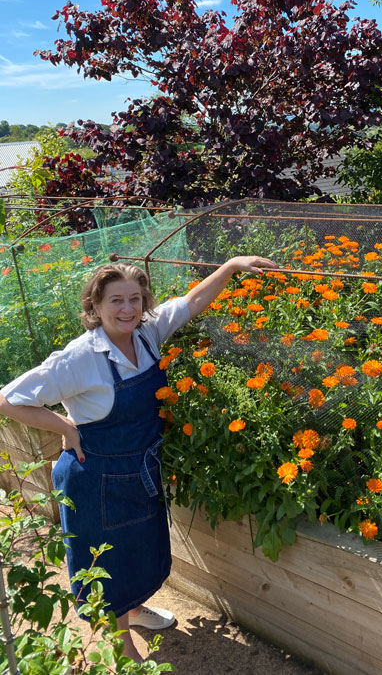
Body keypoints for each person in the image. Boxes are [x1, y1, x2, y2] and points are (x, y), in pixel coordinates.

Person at [0, 255, 277, 662]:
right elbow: (8, 399)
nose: (127, 309)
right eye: (116, 301)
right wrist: (66, 428)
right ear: (95, 306)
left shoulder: (147, 334)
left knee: (140, 550)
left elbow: (193, 301)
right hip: (94, 476)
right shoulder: (79, 358)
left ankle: (133, 609)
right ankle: (122, 645)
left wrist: (232, 266)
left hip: (139, 470)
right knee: (106, 561)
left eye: (135, 299)